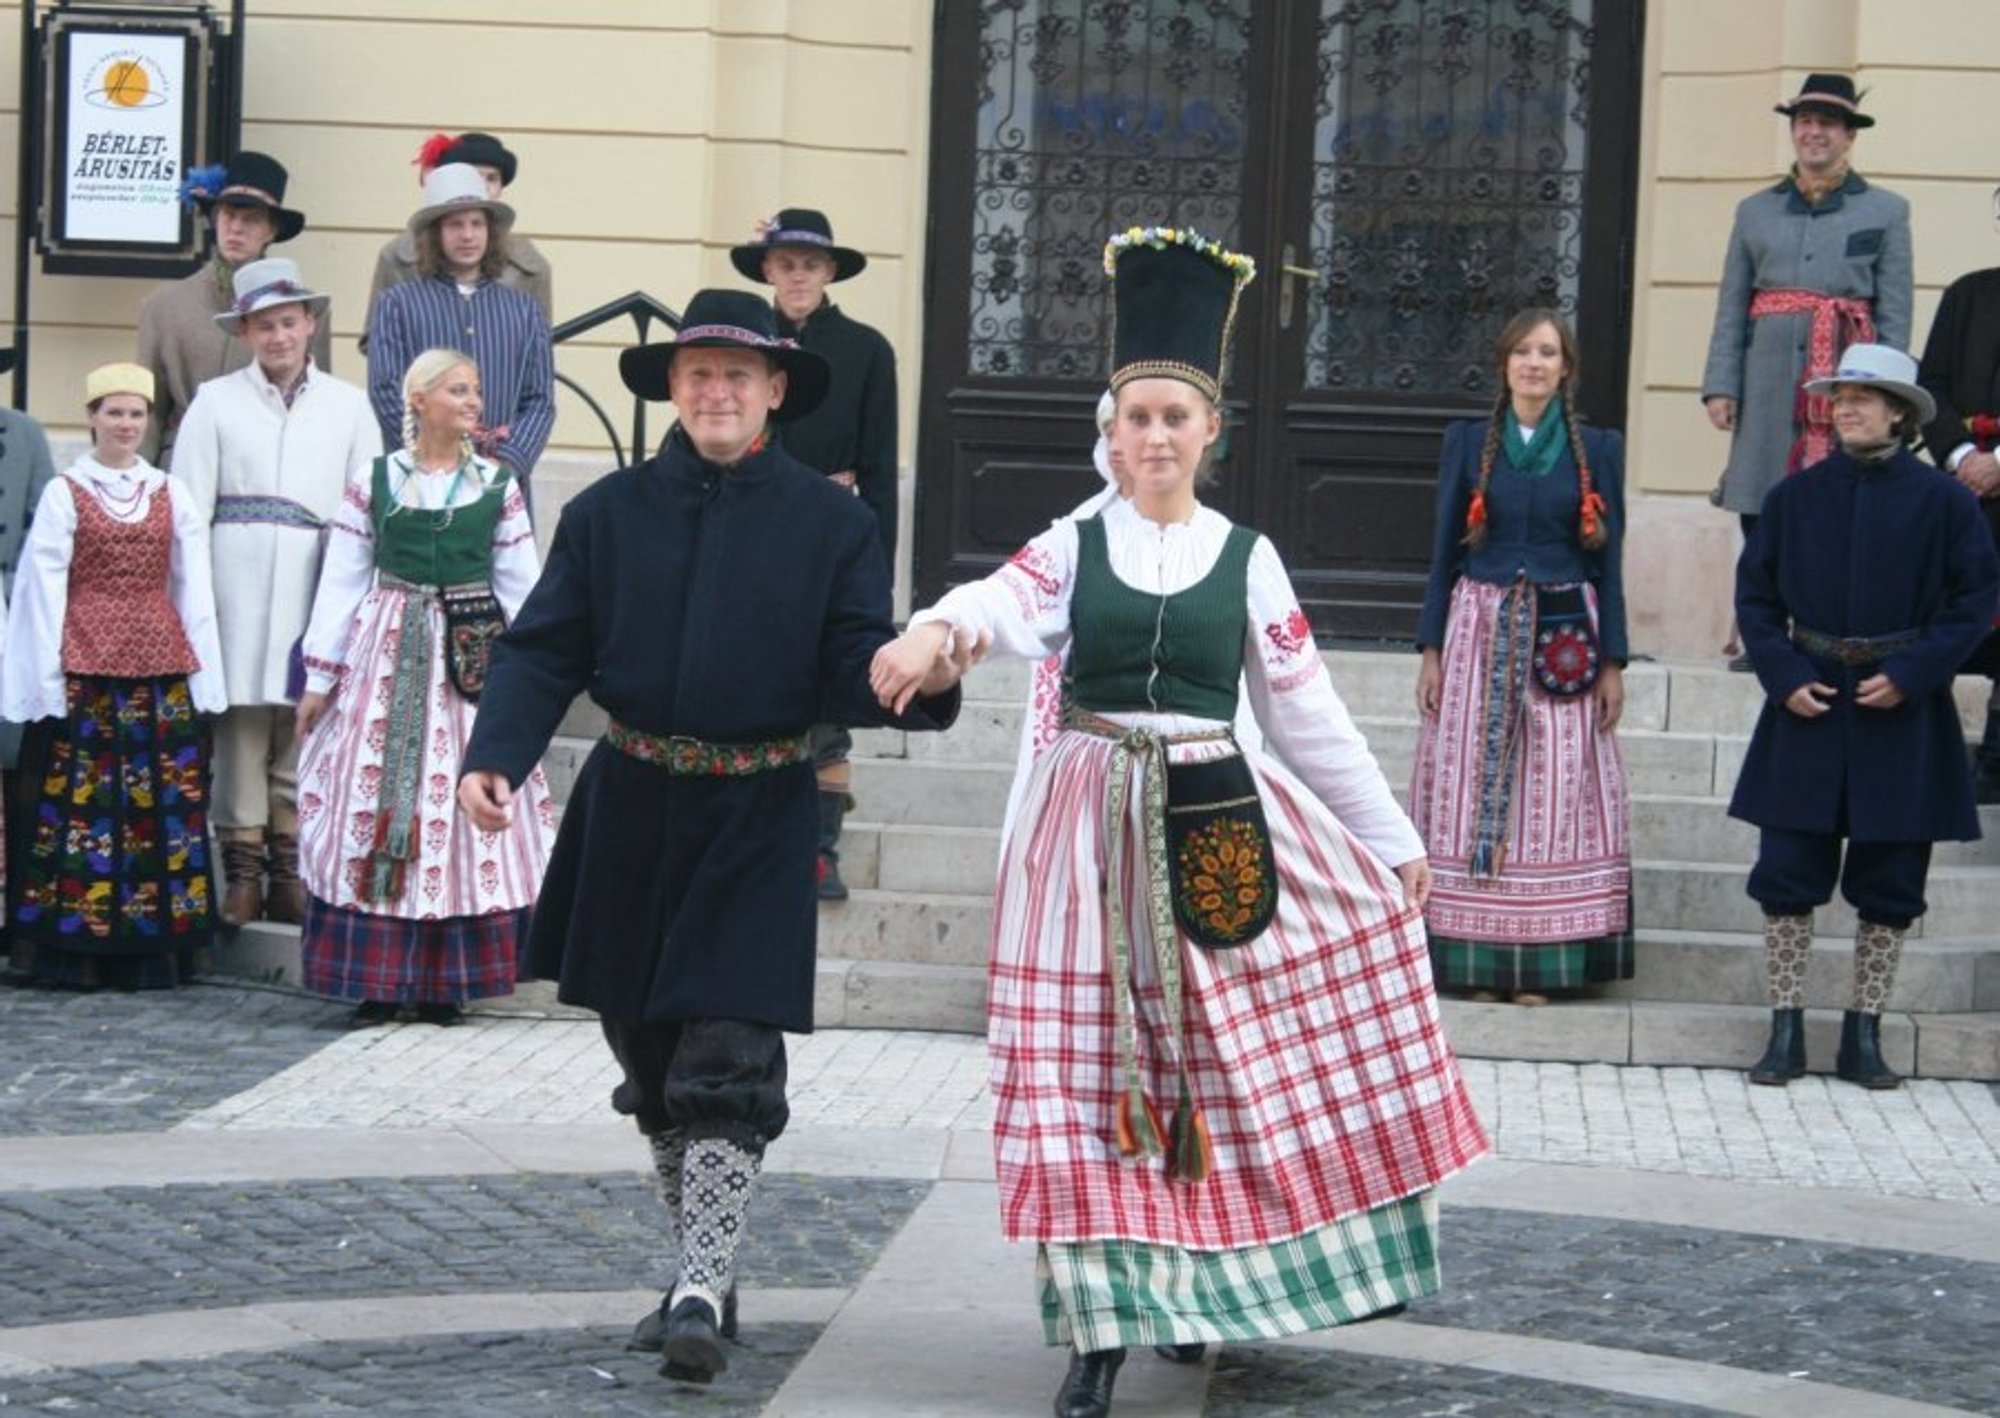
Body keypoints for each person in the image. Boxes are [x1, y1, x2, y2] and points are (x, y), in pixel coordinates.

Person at [871, 227, 1487, 1418]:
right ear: (1109, 434)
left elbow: (1309, 723)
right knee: (1088, 1068)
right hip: (1084, 834)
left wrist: (1396, 842)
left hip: (1214, 829)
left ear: (1211, 434)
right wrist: (931, 633)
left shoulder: (1248, 561)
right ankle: (1098, 1328)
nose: (1154, 436)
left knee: (1212, 1063)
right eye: (1135, 416)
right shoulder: (1073, 542)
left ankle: (1212, 1283)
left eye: (1174, 416)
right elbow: (993, 602)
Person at [456, 290, 964, 1388]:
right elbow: (544, 648)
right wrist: (492, 752)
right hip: (631, 804)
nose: (716, 391)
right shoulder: (606, 513)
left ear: (776, 390)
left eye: (738, 374)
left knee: (726, 1054)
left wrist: (920, 684)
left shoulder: (835, 524)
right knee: (647, 1051)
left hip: (758, 811)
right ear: (674, 388)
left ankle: (698, 1283)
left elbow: (849, 661)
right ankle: (704, 1266)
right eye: (697, 373)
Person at [1734, 343, 1998, 1091]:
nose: (1845, 406)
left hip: (1901, 714)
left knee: (1890, 883)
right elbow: (1756, 599)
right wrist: (1782, 676)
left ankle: (1863, 1036)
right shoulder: (1793, 498)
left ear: (1900, 413)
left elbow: (1974, 601)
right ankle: (1784, 1032)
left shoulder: (1947, 503)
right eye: (1840, 393)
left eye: (1864, 395)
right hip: (1807, 706)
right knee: (1787, 873)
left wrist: (1914, 673)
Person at [292, 350, 550, 1029]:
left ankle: (444, 982)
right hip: (385, 647)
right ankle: (377, 978)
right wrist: (321, 675)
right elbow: (343, 578)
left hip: (468, 657)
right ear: (420, 400)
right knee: (375, 790)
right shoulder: (376, 480)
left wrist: (533, 681)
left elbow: (523, 587)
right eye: (458, 390)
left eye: (475, 390)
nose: (473, 402)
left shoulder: (498, 484)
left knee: (454, 798)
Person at [1409, 308, 1632, 1004]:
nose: (1534, 363)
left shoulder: (1596, 447)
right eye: (1523, 352)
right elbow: (1446, 549)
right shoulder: (1471, 442)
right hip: (1480, 621)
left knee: (1555, 784)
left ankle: (1539, 960)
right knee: (1467, 777)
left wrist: (1615, 660)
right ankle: (1474, 962)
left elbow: (1611, 561)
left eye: (1548, 352)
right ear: (1504, 363)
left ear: (1566, 368)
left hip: (1565, 626)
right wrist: (1431, 647)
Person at [172, 258, 383, 928]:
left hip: (315, 576)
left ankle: (290, 863)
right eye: (264, 326)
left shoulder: (350, 406)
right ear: (247, 333)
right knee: (238, 726)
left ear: (310, 325)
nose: (279, 337)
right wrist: (193, 600)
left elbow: (367, 503)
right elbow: (187, 510)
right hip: (233, 576)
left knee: (302, 717)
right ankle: (241, 865)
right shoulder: (215, 401)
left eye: (288, 322)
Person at [0, 364, 224, 988]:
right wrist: (42, 681)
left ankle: (156, 947)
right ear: (92, 416)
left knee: (160, 799)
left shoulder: (169, 491)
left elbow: (192, 584)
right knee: (85, 803)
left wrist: (205, 675)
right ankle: (77, 947)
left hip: (158, 658)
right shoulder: (66, 491)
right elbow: (43, 587)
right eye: (114, 412)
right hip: (87, 660)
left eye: (136, 414)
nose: (126, 425)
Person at [1701, 74, 1911, 669]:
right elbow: (1731, 304)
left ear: (1848, 136)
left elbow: (1895, 309)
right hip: (1767, 384)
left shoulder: (1887, 212)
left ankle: (1827, 632)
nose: (1813, 132)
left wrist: (1890, 395)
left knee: (1841, 508)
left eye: (1826, 123)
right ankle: (1765, 635)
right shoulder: (1753, 211)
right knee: (1762, 508)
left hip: (1851, 378)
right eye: (1804, 121)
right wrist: (1721, 385)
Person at [731, 208, 898, 898]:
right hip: (747, 530)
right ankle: (754, 835)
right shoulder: (742, 343)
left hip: (831, 536)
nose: (798, 276)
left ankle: (819, 849)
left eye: (810, 265)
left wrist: (876, 569)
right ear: (767, 270)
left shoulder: (866, 349)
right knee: (750, 685)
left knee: (827, 691)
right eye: (786, 264)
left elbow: (881, 465)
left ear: (830, 273)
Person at [365, 164, 554, 502]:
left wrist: (506, 464)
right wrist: (433, 455)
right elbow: (386, 390)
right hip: (420, 484)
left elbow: (540, 400)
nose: (467, 236)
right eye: (455, 224)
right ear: (435, 233)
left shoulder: (524, 310)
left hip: (499, 485)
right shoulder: (398, 304)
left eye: (477, 223)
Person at [136, 151, 333, 468]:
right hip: (182, 463)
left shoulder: (304, 311)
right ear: (215, 219)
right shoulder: (163, 306)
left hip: (267, 464)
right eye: (229, 216)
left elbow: (314, 402)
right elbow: (147, 409)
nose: (237, 229)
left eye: (252, 219)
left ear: (271, 231)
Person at [1916, 184, 2000, 803]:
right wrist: (1960, 454)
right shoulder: (1968, 293)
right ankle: (1934, 759)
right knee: (1940, 623)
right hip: (1959, 495)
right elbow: (1931, 385)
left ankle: (1996, 763)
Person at [365, 131, 553, 333]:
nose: (483, 188)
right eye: (473, 178)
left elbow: (539, 345)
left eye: (492, 179)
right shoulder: (399, 257)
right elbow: (378, 340)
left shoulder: (530, 265)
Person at [0, 354, 57, 941]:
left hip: (9, 615)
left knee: (15, 762)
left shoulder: (24, 434)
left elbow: (44, 527)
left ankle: (16, 912)